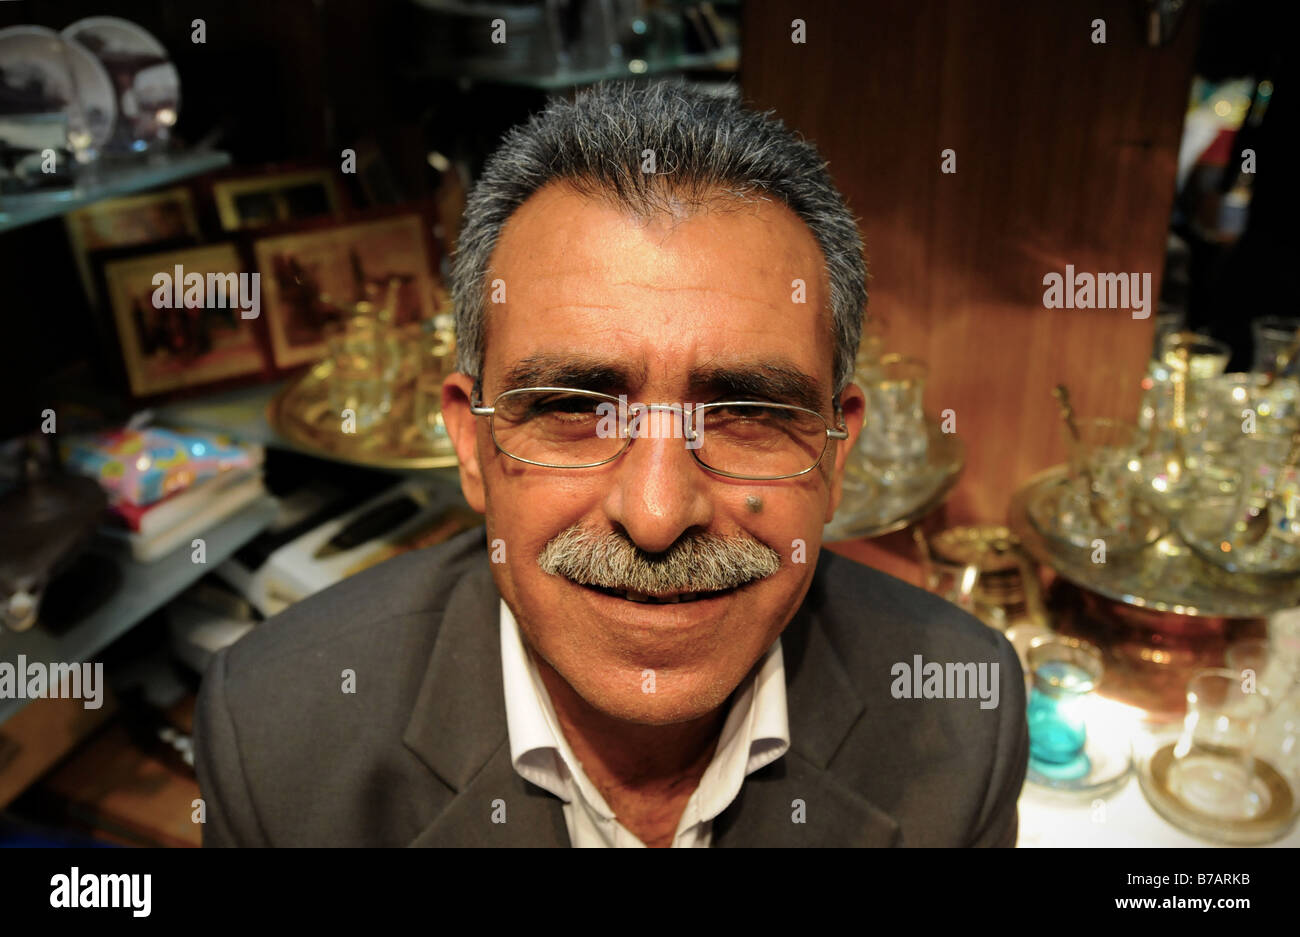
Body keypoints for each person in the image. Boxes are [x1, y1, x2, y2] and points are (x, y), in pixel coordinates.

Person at [195, 79, 1027, 847]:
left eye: (746, 413)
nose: (659, 513)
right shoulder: (274, 741)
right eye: (573, 409)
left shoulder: (963, 717)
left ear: (836, 453)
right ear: (471, 444)